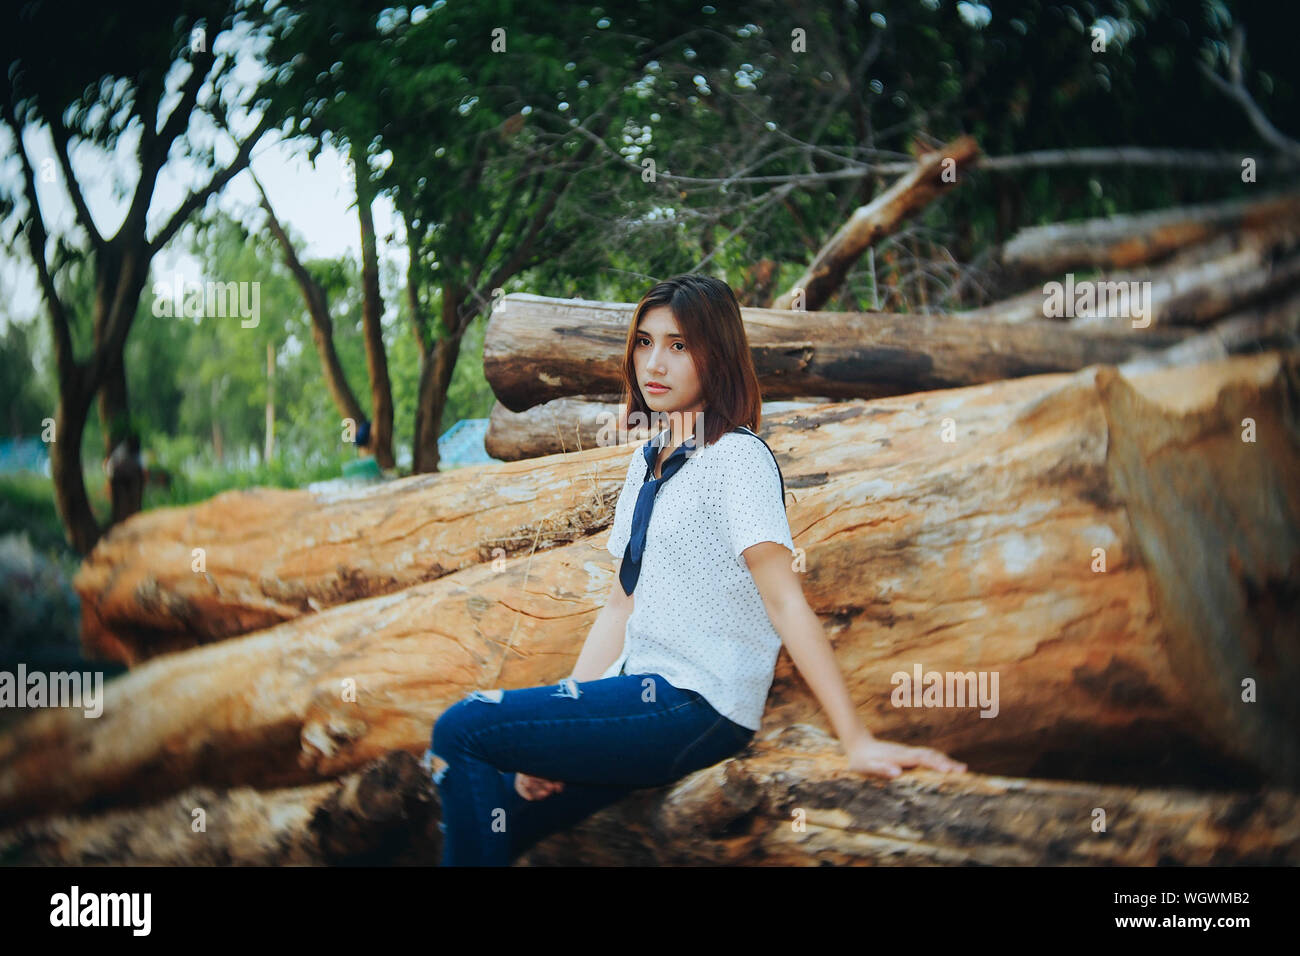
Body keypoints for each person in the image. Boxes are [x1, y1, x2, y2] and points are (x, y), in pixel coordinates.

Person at [429, 274, 966, 866]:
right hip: (635, 697)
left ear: (718, 355)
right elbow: (620, 604)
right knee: (501, 811)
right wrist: (557, 730)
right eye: (645, 342)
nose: (655, 362)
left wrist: (856, 740)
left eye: (679, 345)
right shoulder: (647, 462)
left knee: (462, 728)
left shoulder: (738, 458)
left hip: (697, 706)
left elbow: (785, 602)